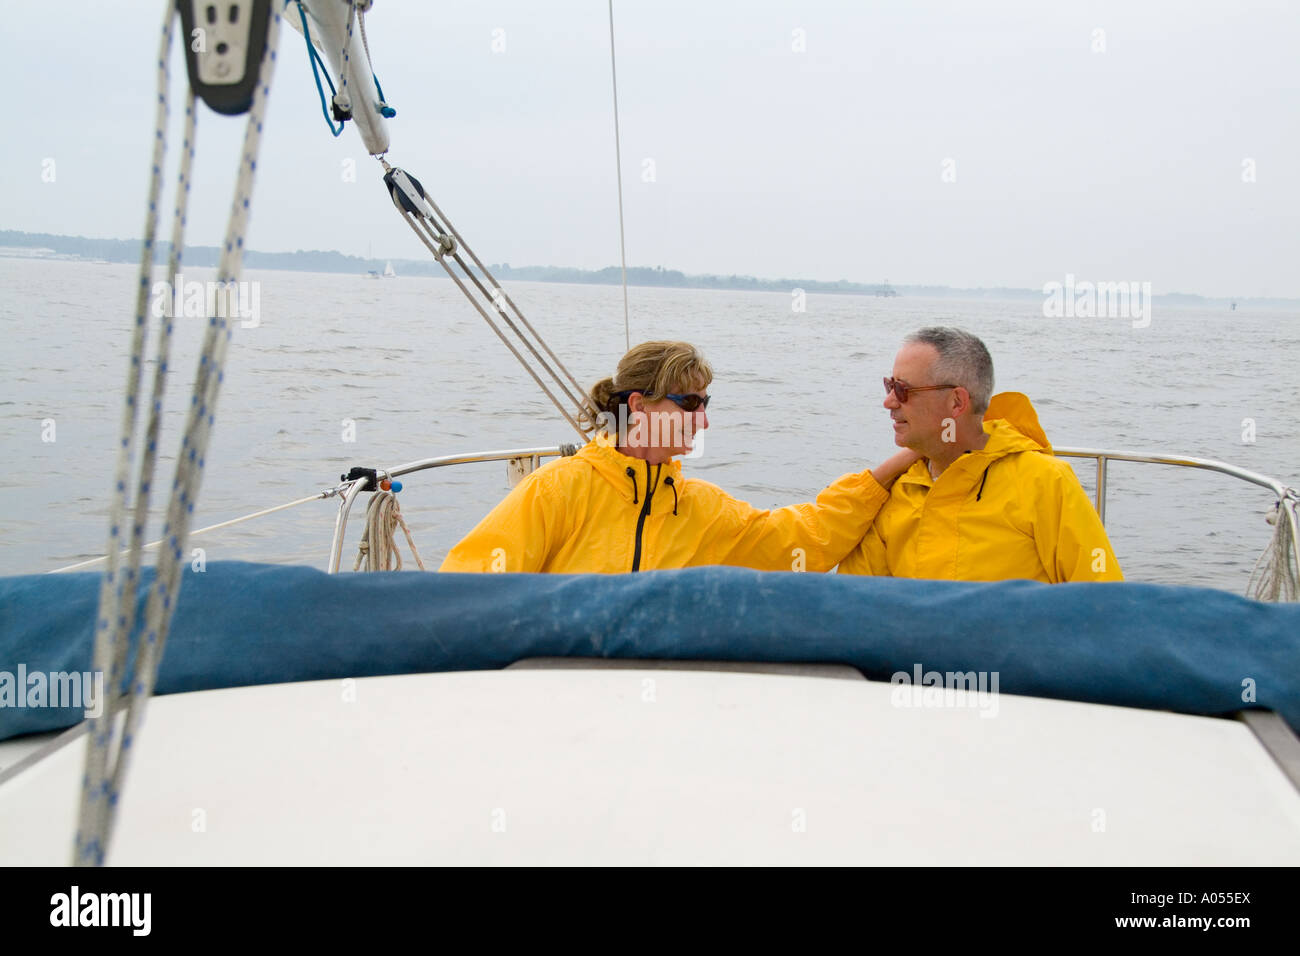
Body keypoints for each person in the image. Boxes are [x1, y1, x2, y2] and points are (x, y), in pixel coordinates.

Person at [439, 340, 918, 573]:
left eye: (705, 404)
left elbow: (801, 540)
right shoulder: (558, 489)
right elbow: (475, 582)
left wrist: (889, 471)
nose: (701, 419)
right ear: (637, 405)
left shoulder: (700, 510)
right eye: (688, 403)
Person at [838, 326, 1123, 582]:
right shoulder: (893, 491)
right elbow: (856, 608)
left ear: (956, 402)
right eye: (890, 385)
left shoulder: (1044, 483)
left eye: (902, 390)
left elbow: (1102, 603)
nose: (888, 402)